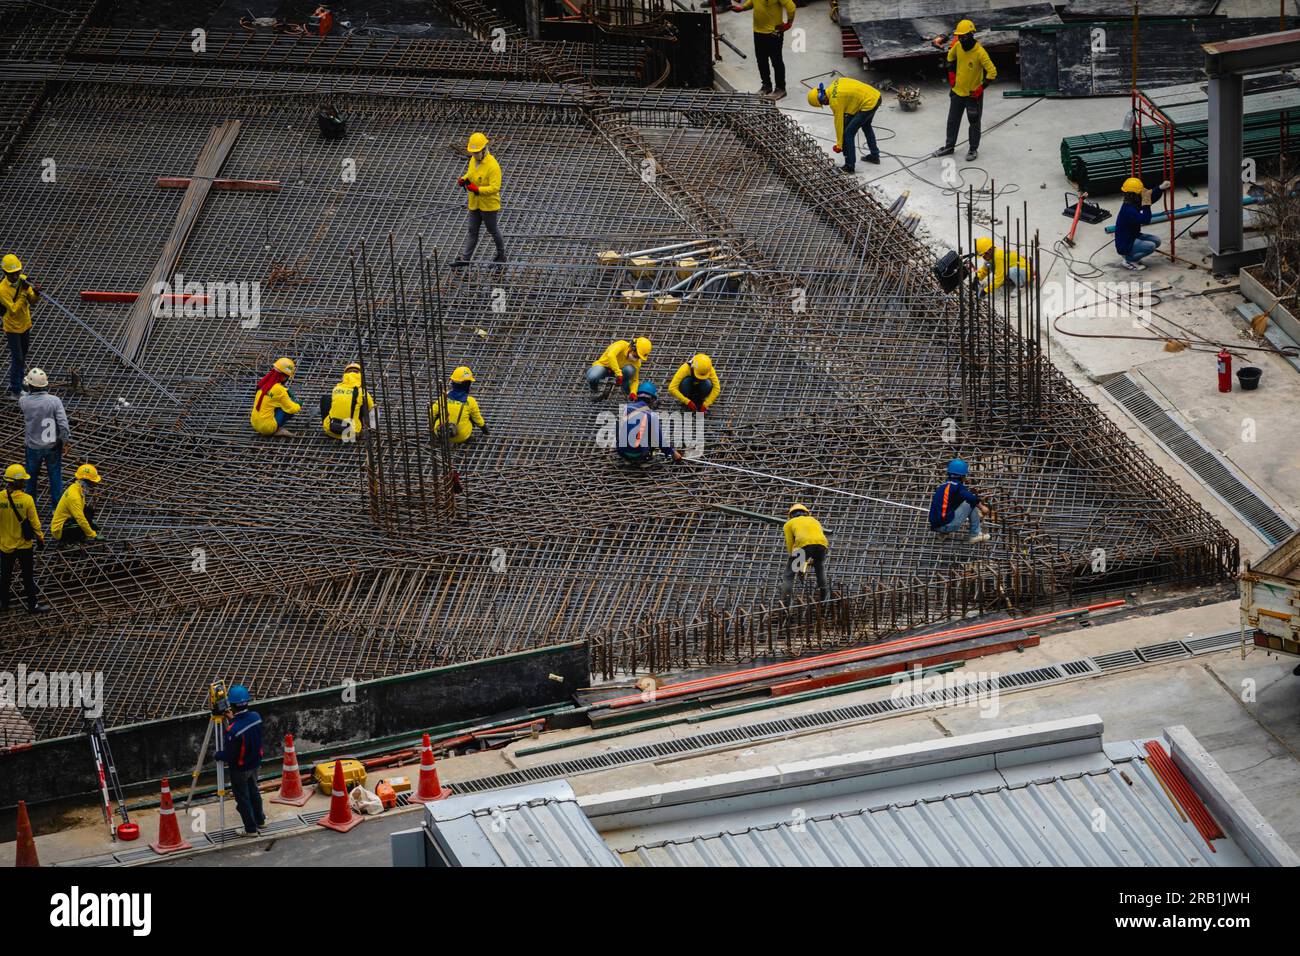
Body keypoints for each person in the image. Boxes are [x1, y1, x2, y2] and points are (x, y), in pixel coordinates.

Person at [935, 20, 996, 162]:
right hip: (957, 92)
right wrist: (951, 74)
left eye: (963, 36)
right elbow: (950, 57)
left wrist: (980, 88)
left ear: (971, 35)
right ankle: (949, 147)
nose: (960, 39)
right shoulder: (957, 46)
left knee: (974, 122)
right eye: (959, 36)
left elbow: (992, 72)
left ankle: (973, 149)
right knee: (952, 121)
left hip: (972, 95)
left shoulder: (980, 53)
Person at [215, 684, 265, 837]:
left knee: (243, 798)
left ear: (232, 705)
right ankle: (260, 820)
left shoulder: (233, 731)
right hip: (255, 764)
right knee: (254, 792)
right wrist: (233, 719)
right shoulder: (256, 717)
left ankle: (250, 829)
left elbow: (231, 756)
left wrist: (218, 755)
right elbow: (245, 728)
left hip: (240, 769)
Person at [18, 368, 68, 511]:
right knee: (55, 477)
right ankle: (56, 509)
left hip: (33, 448)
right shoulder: (54, 401)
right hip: (52, 446)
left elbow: (23, 394)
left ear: (30, 386)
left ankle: (30, 508)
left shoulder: (24, 402)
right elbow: (63, 424)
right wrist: (65, 442)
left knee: (31, 478)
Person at [0, 463, 48, 614]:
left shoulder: (0, 498)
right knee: (28, 577)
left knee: (5, 576)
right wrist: (40, 538)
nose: (25, 482)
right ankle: (32, 605)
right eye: (23, 480)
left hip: (5, 545)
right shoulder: (27, 500)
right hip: (24, 546)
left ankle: (3, 604)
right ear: (18, 482)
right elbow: (35, 523)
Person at [452, 132, 506, 267]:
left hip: (488, 205)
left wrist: (477, 190)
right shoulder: (473, 160)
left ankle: (501, 256)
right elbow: (471, 173)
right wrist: (464, 179)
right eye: (472, 153)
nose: (474, 155)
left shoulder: (493, 166)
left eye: (476, 153)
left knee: (493, 230)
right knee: (472, 230)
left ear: (484, 150)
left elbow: (495, 188)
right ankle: (465, 258)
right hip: (475, 203)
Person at [807, 78, 882, 171]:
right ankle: (874, 155)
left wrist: (839, 144)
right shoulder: (835, 83)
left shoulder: (834, 102)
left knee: (848, 134)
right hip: (875, 95)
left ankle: (850, 166)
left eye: (823, 103)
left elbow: (839, 123)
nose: (825, 104)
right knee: (866, 126)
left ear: (822, 99)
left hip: (868, 103)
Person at [730, 0, 795, 101]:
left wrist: (789, 23)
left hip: (773, 32)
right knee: (761, 60)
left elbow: (791, 6)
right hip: (758, 31)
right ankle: (766, 85)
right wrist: (743, 8)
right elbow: (753, 1)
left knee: (776, 61)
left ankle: (780, 88)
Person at [616, 382, 682, 466]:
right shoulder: (652, 415)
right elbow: (660, 440)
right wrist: (673, 453)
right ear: (652, 400)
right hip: (639, 454)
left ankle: (628, 457)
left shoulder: (625, 408)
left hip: (622, 451)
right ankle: (642, 458)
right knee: (654, 434)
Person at [1, 253, 38, 399]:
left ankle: (20, 379)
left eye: (17, 272)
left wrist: (35, 292)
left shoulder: (23, 280)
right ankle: (15, 390)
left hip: (25, 324)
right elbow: (14, 310)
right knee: (17, 358)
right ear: (5, 273)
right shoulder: (2, 290)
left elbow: (33, 300)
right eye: (12, 274)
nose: (16, 276)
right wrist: (23, 293)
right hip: (12, 328)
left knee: (23, 356)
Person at [1115, 176, 1171, 271]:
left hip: (1133, 236)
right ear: (1135, 194)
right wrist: (1146, 205)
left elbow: (1150, 196)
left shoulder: (1133, 202)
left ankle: (1131, 255)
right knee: (1151, 246)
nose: (1142, 193)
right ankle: (1129, 260)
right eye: (1141, 191)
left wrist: (1160, 188)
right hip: (1125, 244)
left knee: (1156, 241)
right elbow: (1146, 219)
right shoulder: (1128, 210)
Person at [780, 503, 831, 605]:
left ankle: (786, 602)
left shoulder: (789, 524)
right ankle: (825, 596)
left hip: (803, 546)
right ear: (806, 513)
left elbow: (790, 543)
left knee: (788, 575)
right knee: (820, 568)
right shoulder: (814, 520)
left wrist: (796, 562)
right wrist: (802, 564)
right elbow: (817, 537)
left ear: (791, 515)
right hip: (822, 545)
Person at [929, 458, 990, 543]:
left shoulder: (942, 486)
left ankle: (942, 534)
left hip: (935, 526)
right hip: (947, 525)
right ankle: (975, 534)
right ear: (962, 476)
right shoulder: (957, 486)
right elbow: (971, 498)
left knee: (952, 505)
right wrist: (982, 507)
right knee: (970, 502)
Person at [430, 365, 489, 444]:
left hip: (441, 434)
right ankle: (466, 438)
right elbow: (479, 421)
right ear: (468, 385)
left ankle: (437, 435)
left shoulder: (444, 398)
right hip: (461, 437)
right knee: (471, 417)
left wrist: (432, 429)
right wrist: (486, 431)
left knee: (438, 413)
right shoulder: (470, 401)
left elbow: (431, 414)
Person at [321, 362, 376, 441]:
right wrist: (373, 429)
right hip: (351, 434)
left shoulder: (336, 388)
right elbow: (372, 410)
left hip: (331, 430)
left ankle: (328, 426)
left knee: (326, 399)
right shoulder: (362, 392)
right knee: (362, 404)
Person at [587, 336, 651, 401]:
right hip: (604, 367)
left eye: (638, 357)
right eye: (636, 355)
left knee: (630, 370)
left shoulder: (636, 362)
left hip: (620, 373)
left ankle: (626, 390)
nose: (636, 358)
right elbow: (611, 355)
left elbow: (635, 380)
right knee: (593, 376)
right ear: (632, 347)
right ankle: (594, 390)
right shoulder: (621, 345)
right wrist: (618, 373)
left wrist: (633, 392)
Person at [52, 464, 101, 546]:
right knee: (80, 524)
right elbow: (80, 518)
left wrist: (90, 522)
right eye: (93, 482)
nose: (95, 484)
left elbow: (83, 507)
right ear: (87, 481)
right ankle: (67, 542)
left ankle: (81, 533)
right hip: (60, 530)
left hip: (68, 519)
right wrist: (93, 535)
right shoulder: (74, 496)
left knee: (89, 510)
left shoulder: (76, 487)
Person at [250, 357, 300, 437]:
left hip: (254, 423)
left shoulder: (264, 383)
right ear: (284, 376)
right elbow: (291, 409)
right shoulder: (279, 390)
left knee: (275, 403)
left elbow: (271, 393)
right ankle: (276, 429)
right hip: (267, 428)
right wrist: (298, 404)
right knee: (287, 408)